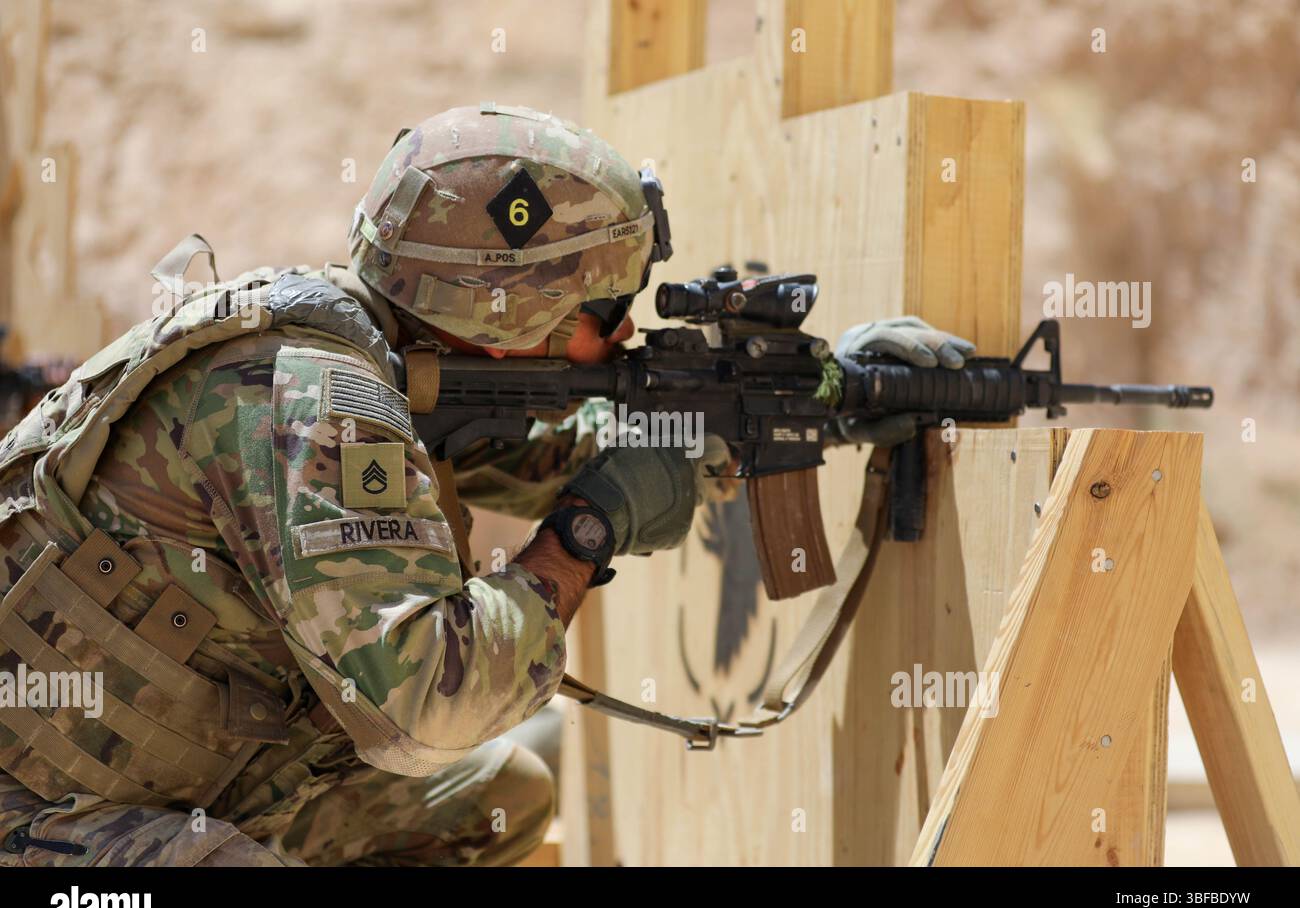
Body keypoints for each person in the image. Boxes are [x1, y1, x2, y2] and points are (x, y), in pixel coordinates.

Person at [0, 104, 973, 866]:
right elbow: (431, 707)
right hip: (44, 817)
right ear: (508, 306)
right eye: (604, 307)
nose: (623, 333)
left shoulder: (386, 356)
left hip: (174, 764)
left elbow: (570, 438)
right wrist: (585, 534)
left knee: (502, 796)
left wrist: (828, 392)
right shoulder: (317, 397)